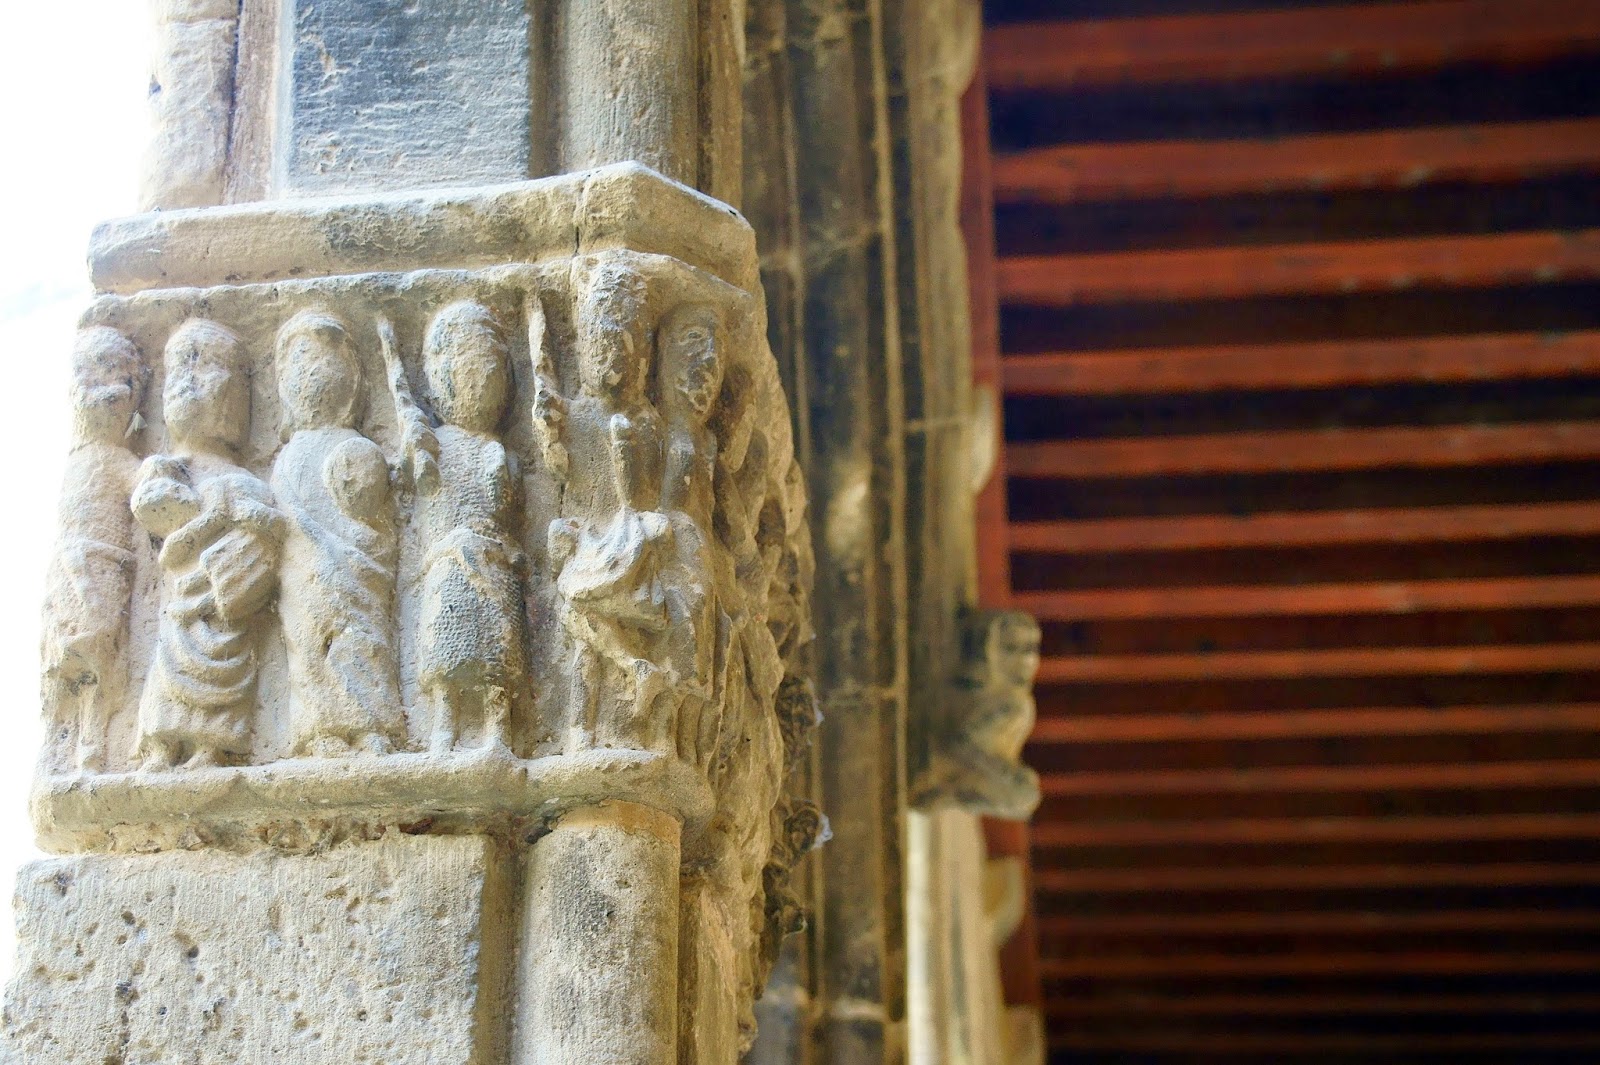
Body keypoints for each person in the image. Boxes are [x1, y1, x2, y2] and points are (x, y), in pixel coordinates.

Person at [133, 319, 284, 770]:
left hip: (223, 604)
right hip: (181, 603)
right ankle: (161, 747)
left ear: (238, 394)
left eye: (205, 370)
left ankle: (210, 748)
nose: (186, 383)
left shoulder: (241, 481)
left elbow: (266, 533)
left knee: (224, 668)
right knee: (168, 672)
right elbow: (161, 525)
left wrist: (247, 534)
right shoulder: (164, 469)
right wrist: (215, 515)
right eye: (178, 370)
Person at [387, 302, 525, 753]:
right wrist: (412, 450)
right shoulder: (433, 444)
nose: (482, 378)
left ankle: (497, 730)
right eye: (468, 363)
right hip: (446, 565)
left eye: (492, 366)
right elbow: (408, 486)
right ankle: (443, 727)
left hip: (492, 561)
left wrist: (498, 469)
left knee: (498, 659)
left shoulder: (498, 450)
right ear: (438, 374)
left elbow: (504, 505)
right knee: (444, 654)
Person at [272, 310, 403, 757]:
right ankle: (318, 731)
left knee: (361, 642)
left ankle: (373, 727)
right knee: (309, 648)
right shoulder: (286, 458)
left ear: (354, 376)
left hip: (356, 575)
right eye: (303, 358)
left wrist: (365, 531)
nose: (316, 371)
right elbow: (283, 527)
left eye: (331, 357)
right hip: (304, 582)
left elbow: (379, 526)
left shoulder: (360, 448)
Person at [41, 327, 147, 772]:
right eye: (93, 372)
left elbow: (145, 486)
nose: (112, 388)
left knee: (101, 644)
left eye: (123, 379)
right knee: (63, 650)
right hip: (69, 567)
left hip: (105, 566)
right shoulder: (82, 458)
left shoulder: (120, 460)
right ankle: (64, 741)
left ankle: (94, 737)